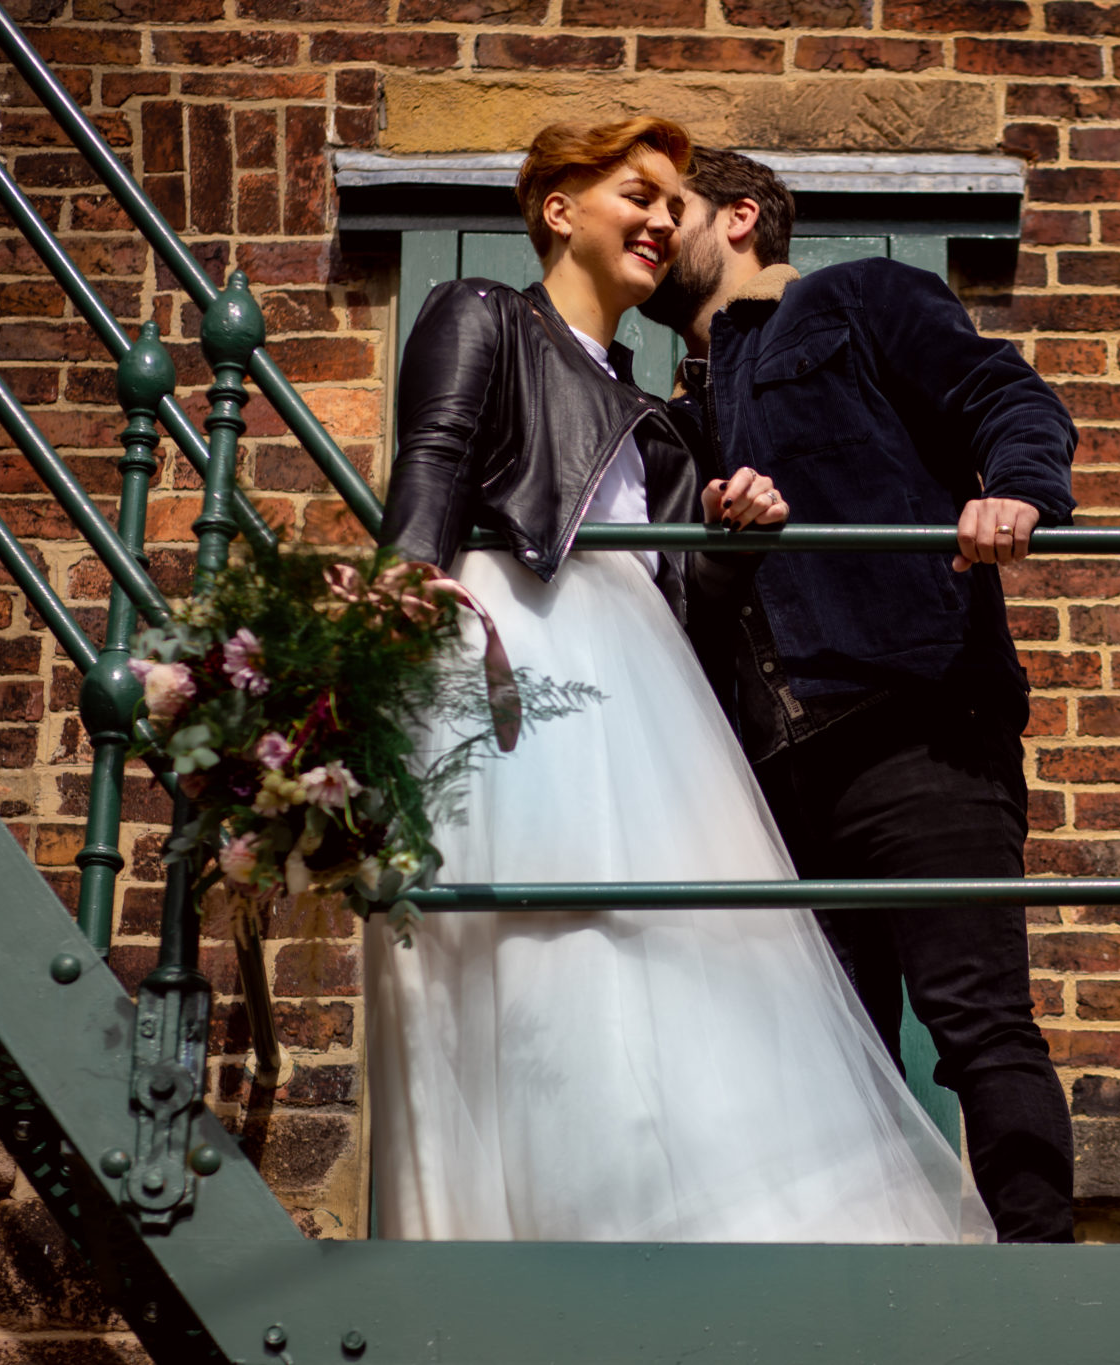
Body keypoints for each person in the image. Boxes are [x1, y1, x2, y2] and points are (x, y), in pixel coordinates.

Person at [368, 117, 991, 1243]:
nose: (659, 220)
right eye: (634, 195)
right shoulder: (484, 316)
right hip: (524, 662)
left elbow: (688, 600)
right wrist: (407, 579)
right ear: (556, 211)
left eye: (671, 203)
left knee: (687, 963)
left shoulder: (660, 418)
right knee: (540, 964)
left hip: (647, 702)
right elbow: (439, 454)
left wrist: (736, 536)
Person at [639, 148, 1079, 1242]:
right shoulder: (676, 414)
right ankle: (874, 1284)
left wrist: (1018, 492)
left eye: (670, 208)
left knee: (976, 1019)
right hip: (774, 778)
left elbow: (1001, 392)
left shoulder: (854, 301)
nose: (648, 234)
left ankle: (1045, 1287)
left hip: (913, 724)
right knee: (833, 1056)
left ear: (740, 217)